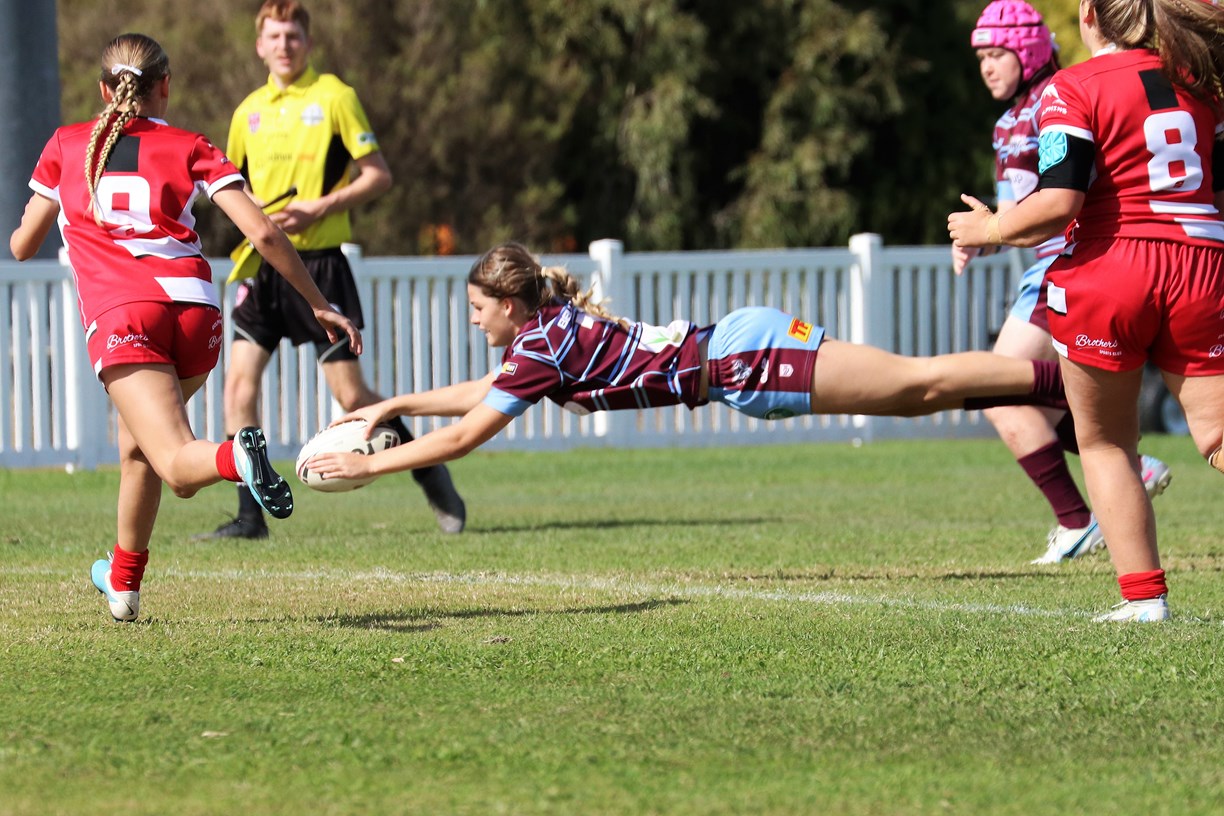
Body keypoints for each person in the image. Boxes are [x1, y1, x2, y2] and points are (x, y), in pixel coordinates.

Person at [8, 33, 362, 622]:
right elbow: (266, 234)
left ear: (102, 90)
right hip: (195, 313)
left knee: (176, 464)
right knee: (139, 449)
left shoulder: (69, 145)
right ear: (164, 87)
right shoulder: (190, 145)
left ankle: (238, 462)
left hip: (125, 313)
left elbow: (23, 246)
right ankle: (122, 585)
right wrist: (319, 302)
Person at [302, 242, 1071, 500]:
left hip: (747, 359)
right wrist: (388, 405)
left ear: (508, 302)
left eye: (477, 306)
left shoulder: (541, 347)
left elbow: (467, 435)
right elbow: (480, 396)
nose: (472, 319)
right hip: (743, 350)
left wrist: (371, 465)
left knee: (919, 383)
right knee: (916, 396)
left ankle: (1069, 385)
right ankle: (1063, 397)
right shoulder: (540, 338)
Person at [949, 0, 1224, 621]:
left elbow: (1058, 202)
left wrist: (989, 227)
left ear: (1090, 15)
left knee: (1105, 444)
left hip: (1110, 268)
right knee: (1217, 437)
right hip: (1202, 264)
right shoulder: (1200, 83)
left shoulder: (1071, 86)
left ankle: (1144, 600)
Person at [197, 0, 466, 541]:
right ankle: (251, 518)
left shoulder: (336, 97)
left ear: (308, 42)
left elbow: (379, 175)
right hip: (263, 268)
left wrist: (319, 207)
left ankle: (429, 471)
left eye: (293, 35)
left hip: (321, 269)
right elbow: (230, 191)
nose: (284, 45)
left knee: (351, 398)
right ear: (259, 45)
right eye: (274, 36)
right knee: (236, 391)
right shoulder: (247, 111)